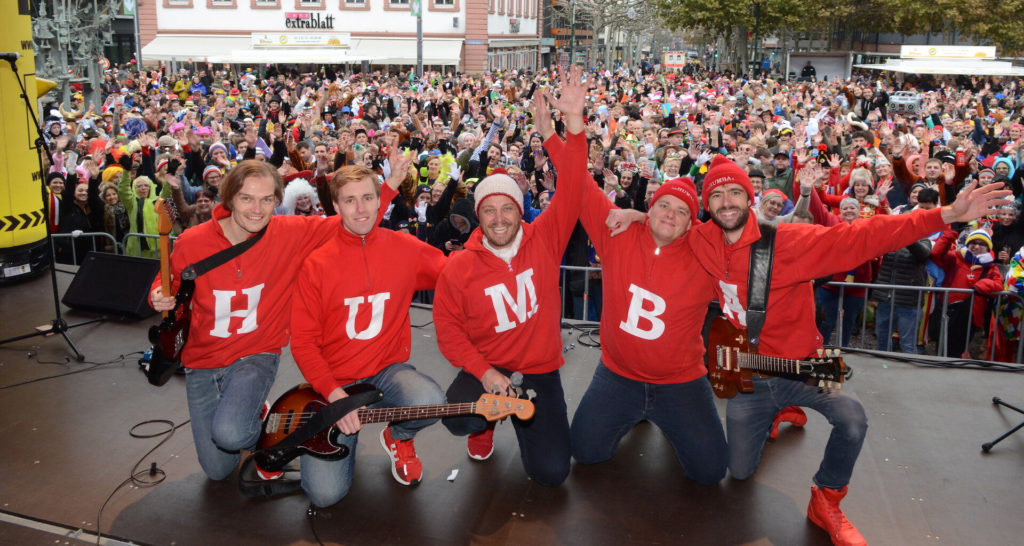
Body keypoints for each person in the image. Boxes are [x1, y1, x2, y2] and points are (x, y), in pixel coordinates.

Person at [687, 155, 1009, 546]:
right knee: (738, 472)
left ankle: (825, 499)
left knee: (853, 419)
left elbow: (866, 234)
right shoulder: (699, 240)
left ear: (749, 196)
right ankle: (781, 408)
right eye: (716, 195)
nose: (726, 202)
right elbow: (662, 225)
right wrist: (638, 218)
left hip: (810, 360)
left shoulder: (788, 242)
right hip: (752, 373)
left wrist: (944, 215)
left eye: (735, 191)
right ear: (707, 204)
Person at [148, 158, 399, 484]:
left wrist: (390, 186)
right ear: (229, 198)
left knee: (230, 436)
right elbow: (166, 281)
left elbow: (355, 220)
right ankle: (255, 415)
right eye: (247, 198)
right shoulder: (193, 241)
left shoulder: (289, 233)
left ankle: (258, 422)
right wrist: (158, 294)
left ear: (277, 201)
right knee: (217, 470)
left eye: (267, 199)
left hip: (257, 353)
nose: (257, 209)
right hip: (203, 361)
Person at [558, 82, 728, 485]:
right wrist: (574, 125)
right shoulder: (619, 233)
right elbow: (579, 186)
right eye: (663, 205)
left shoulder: (704, 257)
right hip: (618, 376)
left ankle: (667, 423)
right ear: (648, 209)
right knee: (584, 452)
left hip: (681, 383)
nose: (670, 215)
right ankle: (635, 416)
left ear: (692, 224)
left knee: (709, 472)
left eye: (681, 212)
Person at [432, 70, 584, 487]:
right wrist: (484, 372)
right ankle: (483, 426)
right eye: (489, 210)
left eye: (508, 208)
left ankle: (515, 422)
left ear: (521, 209)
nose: (499, 219)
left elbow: (573, 185)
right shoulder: (460, 266)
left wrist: (568, 129)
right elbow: (447, 330)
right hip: (490, 367)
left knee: (552, 474)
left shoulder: (546, 239)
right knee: (459, 418)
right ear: (478, 216)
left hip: (539, 368)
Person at [289, 160, 448, 509]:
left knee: (428, 401)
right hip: (335, 383)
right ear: (335, 206)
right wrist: (334, 395)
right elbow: (302, 342)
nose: (360, 209)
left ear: (381, 201)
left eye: (367, 198)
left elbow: (455, 274)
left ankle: (399, 436)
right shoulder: (316, 264)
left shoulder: (405, 247)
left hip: (385, 371)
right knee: (325, 495)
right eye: (349, 200)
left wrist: (487, 247)